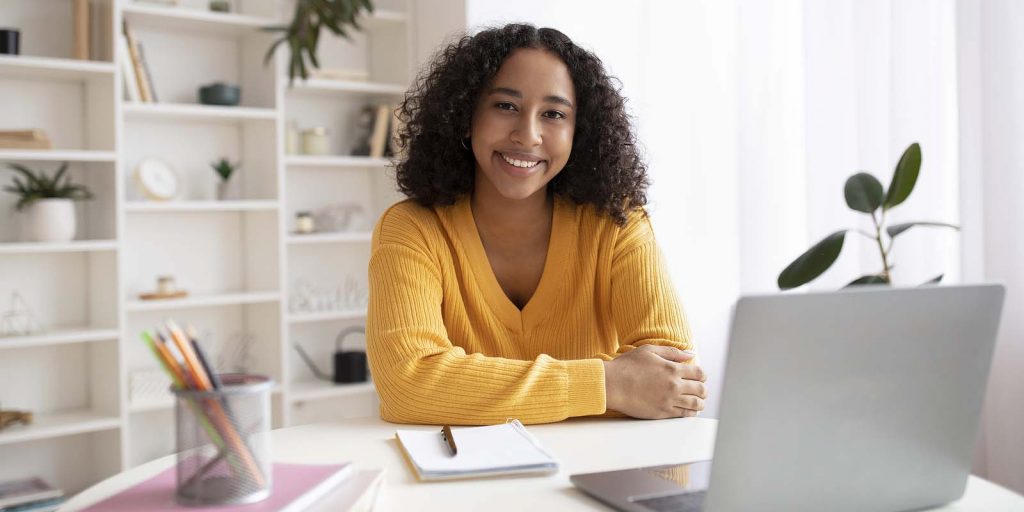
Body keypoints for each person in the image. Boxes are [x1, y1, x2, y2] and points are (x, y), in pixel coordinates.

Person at [366, 23, 706, 425]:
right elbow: (408, 386)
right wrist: (609, 383)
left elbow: (673, 380)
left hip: (598, 470)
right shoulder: (411, 229)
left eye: (553, 114)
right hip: (461, 483)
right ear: (465, 114)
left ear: (579, 132)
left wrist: (466, 392)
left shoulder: (616, 225)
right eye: (505, 106)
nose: (527, 135)